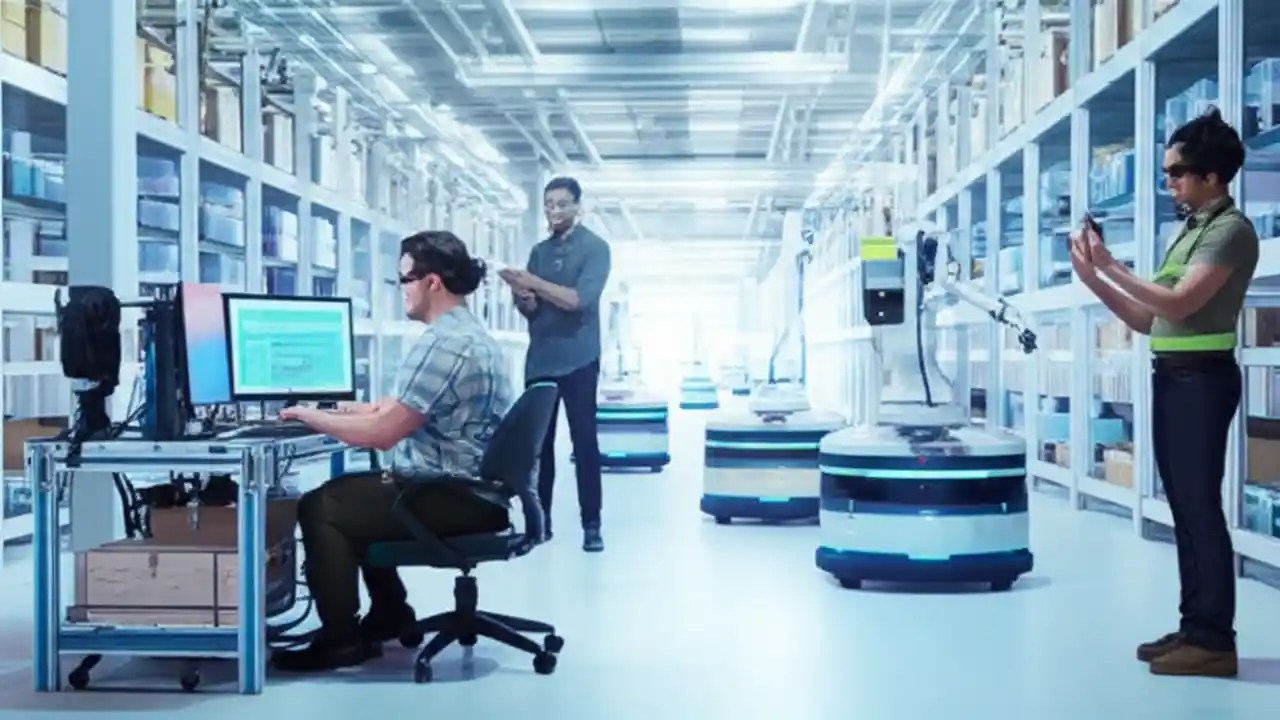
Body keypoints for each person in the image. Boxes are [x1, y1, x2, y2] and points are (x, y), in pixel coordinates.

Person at [270, 230, 515, 673]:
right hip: (476, 490)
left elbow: (384, 433)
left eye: (404, 279)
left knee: (323, 505)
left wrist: (306, 415)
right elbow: (399, 410)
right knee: (357, 494)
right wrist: (341, 410)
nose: (400, 289)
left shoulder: (446, 343)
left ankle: (340, 640)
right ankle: (389, 613)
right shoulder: (467, 334)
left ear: (432, 282)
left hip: (453, 495)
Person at [1070, 107, 1255, 678]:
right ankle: (1194, 625)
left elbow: (1179, 303)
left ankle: (1214, 639)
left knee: (1200, 509)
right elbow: (1153, 320)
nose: (1169, 182)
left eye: (1177, 173)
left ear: (1210, 177)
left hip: (1202, 382)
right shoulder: (1191, 230)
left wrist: (1112, 263)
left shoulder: (1229, 231)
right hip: (1174, 377)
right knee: (1184, 507)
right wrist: (1095, 279)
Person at [498, 176, 611, 553]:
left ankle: (591, 525)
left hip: (579, 358)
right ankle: (539, 523)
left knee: (585, 443)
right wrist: (522, 293)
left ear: (578, 206)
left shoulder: (595, 249)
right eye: (549, 204)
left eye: (562, 204)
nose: (555, 211)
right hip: (542, 359)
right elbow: (531, 310)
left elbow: (579, 300)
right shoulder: (540, 252)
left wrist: (536, 283)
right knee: (537, 447)